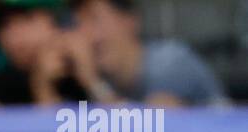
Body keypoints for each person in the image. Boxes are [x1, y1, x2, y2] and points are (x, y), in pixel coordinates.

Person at [68, 0, 225, 106]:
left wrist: (92, 82)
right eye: (79, 24)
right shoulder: (107, 82)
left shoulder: (169, 63)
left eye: (94, 19)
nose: (86, 35)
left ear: (130, 20)